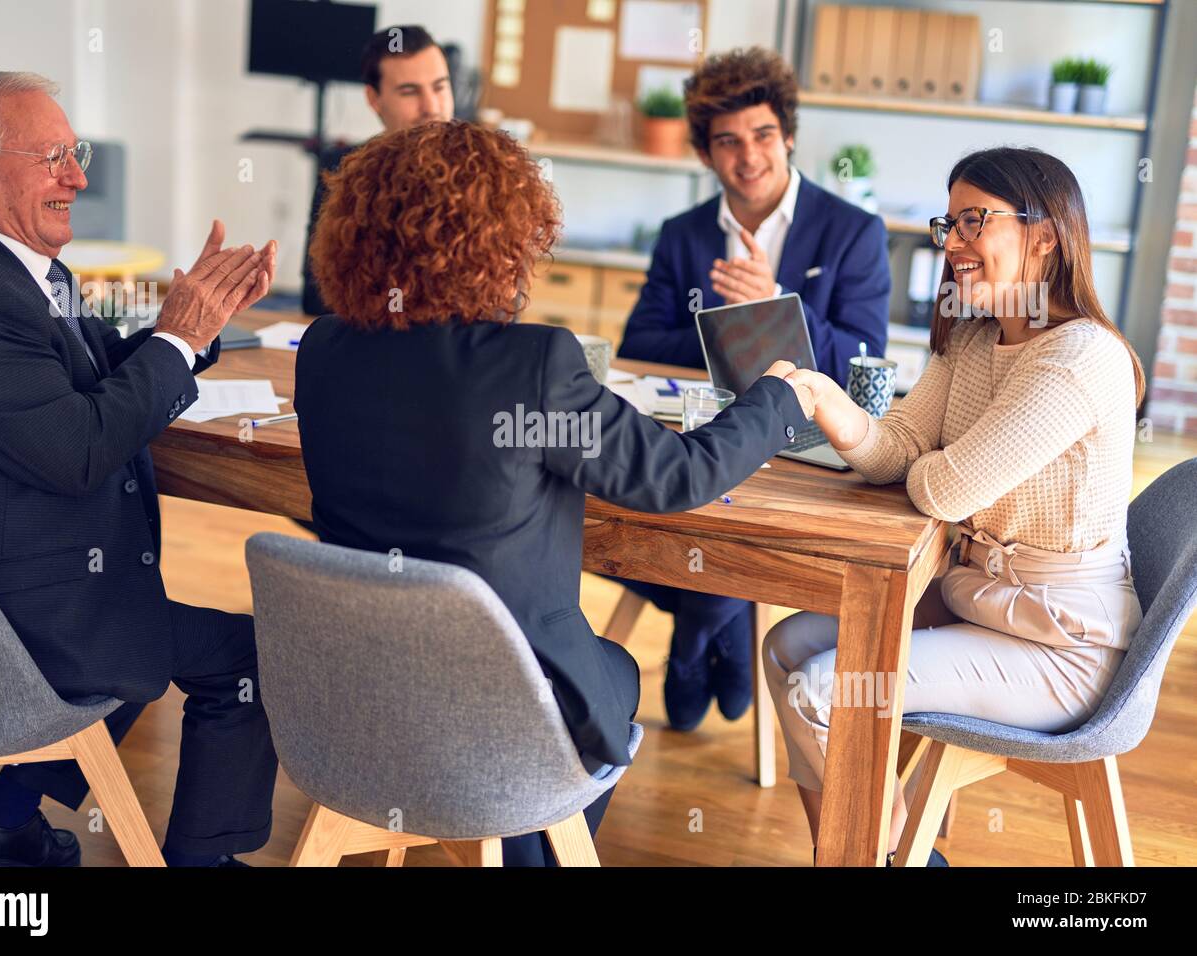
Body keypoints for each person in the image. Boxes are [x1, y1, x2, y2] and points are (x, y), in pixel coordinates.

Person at [295, 120, 815, 865]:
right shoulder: (533, 366)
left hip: (360, 695)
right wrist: (774, 400)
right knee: (618, 674)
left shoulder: (324, 349)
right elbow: (677, 476)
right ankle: (533, 842)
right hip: (506, 701)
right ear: (501, 242)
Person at [0, 71, 280, 867]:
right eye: (53, 159)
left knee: (141, 615)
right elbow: (80, 448)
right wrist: (173, 340)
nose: (77, 177)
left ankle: (3, 830)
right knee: (245, 658)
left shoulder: (2, 269)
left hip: (13, 589)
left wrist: (195, 330)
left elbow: (95, 383)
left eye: (75, 156)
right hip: (5, 626)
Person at [770, 146, 1147, 866]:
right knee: (786, 646)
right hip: (977, 600)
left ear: (1046, 235)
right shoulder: (973, 338)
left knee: (820, 691)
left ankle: (877, 858)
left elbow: (944, 488)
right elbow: (901, 447)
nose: (953, 243)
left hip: (1058, 643)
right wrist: (823, 399)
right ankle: (866, 854)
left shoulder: (1081, 358)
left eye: (975, 220)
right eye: (951, 223)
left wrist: (930, 466)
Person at [614, 47, 892, 735]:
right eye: (728, 142)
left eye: (764, 135)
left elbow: (866, 358)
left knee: (715, 517)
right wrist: (729, 328)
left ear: (788, 135)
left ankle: (693, 642)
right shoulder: (683, 236)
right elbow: (641, 342)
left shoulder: (852, 231)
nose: (750, 156)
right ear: (707, 154)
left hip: (810, 440)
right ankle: (721, 626)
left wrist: (777, 307)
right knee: (666, 506)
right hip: (703, 436)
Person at [301, 24, 454, 316]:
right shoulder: (344, 170)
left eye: (440, 86)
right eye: (410, 91)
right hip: (368, 345)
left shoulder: (486, 174)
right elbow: (316, 294)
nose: (431, 107)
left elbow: (502, 306)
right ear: (374, 99)